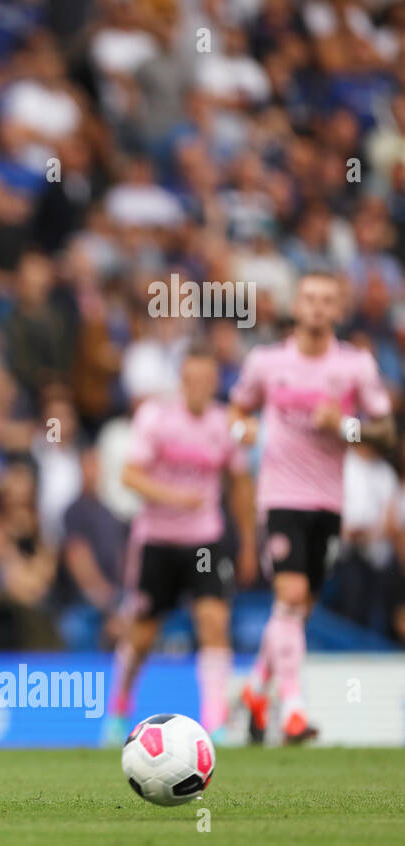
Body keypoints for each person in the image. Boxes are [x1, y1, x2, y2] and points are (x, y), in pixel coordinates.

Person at [232, 272, 394, 744]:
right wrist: (240, 432)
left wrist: (345, 425)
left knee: (298, 612)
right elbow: (237, 411)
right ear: (296, 305)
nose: (318, 308)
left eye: (328, 301)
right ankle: (295, 711)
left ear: (339, 310)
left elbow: (385, 433)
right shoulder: (266, 361)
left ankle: (256, 692)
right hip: (280, 497)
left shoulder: (356, 365)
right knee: (290, 596)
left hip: (329, 501)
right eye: (310, 299)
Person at [104, 346, 256, 745]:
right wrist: (175, 497)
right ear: (181, 381)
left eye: (207, 380)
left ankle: (216, 722)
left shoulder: (225, 424)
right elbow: (130, 476)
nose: (199, 387)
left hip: (204, 541)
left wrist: (248, 542)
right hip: (156, 541)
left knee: (213, 622)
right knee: (142, 636)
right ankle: (119, 707)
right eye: (191, 380)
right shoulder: (155, 418)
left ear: (216, 383)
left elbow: (239, 483)